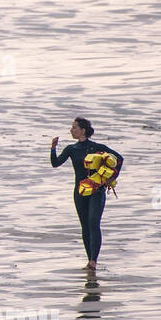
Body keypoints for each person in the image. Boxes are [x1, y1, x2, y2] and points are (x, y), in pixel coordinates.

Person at [50, 116, 124, 271]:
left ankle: (93, 261)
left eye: (74, 127)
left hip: (97, 191)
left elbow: (119, 159)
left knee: (93, 222)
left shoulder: (97, 147)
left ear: (83, 130)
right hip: (80, 192)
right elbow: (55, 163)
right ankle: (89, 260)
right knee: (85, 226)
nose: (71, 130)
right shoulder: (71, 149)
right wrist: (53, 148)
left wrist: (110, 178)